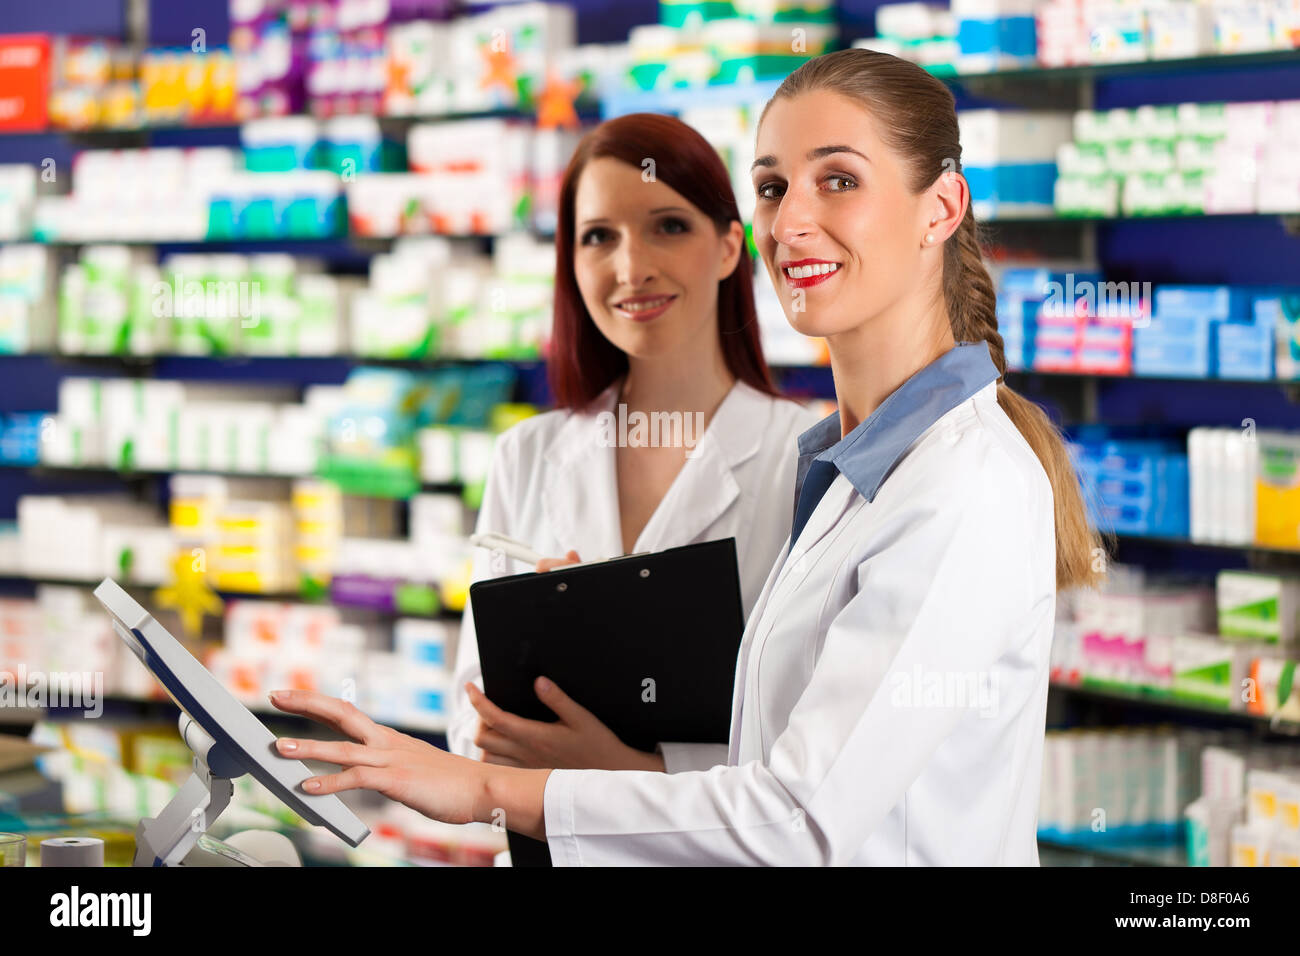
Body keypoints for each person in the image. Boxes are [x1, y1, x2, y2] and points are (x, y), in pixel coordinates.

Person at [269, 49, 1102, 865]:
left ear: (942, 207)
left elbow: (800, 821)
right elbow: (764, 769)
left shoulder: (965, 481)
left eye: (838, 180)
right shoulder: (847, 470)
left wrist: (483, 787)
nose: (793, 221)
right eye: (774, 188)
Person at [446, 112, 819, 774]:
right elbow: (467, 725)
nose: (631, 267)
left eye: (668, 226)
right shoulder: (526, 455)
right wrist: (542, 647)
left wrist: (621, 769)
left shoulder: (806, 458)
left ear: (731, 247)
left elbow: (816, 747)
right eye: (598, 237)